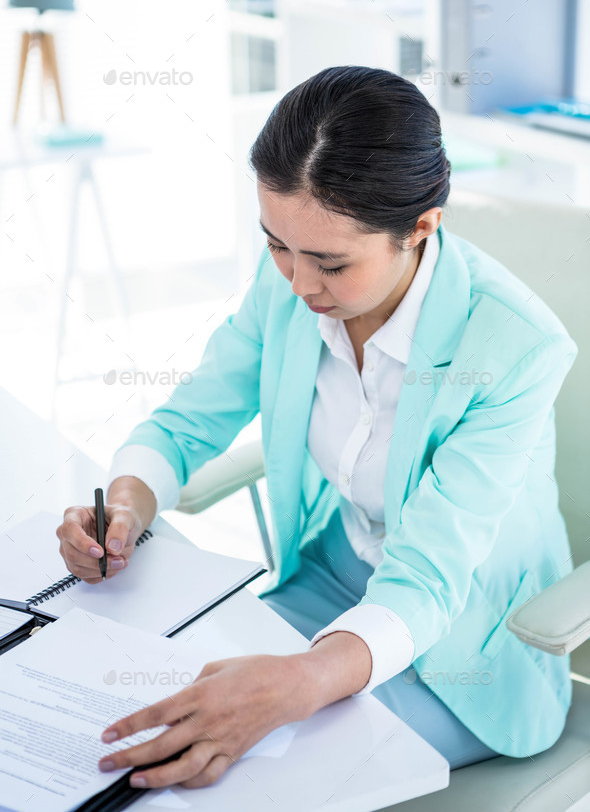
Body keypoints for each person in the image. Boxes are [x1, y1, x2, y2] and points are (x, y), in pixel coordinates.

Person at [57, 66, 578, 791]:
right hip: (330, 578)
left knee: (241, 773)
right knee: (149, 712)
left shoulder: (515, 348)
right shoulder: (290, 283)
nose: (298, 284)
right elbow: (188, 421)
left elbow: (430, 576)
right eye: (277, 245)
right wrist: (124, 506)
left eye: (330, 263)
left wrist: (299, 682)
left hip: (465, 653)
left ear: (420, 227)